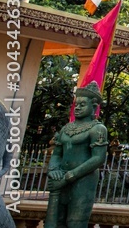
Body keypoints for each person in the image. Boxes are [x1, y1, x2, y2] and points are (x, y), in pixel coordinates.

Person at [44, 82, 108, 228]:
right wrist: (54, 170)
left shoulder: (98, 129)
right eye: (76, 104)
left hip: (83, 180)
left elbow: (98, 158)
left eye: (82, 104)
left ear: (93, 106)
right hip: (60, 178)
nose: (77, 108)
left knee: (75, 222)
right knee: (55, 220)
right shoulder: (66, 128)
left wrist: (70, 176)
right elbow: (57, 153)